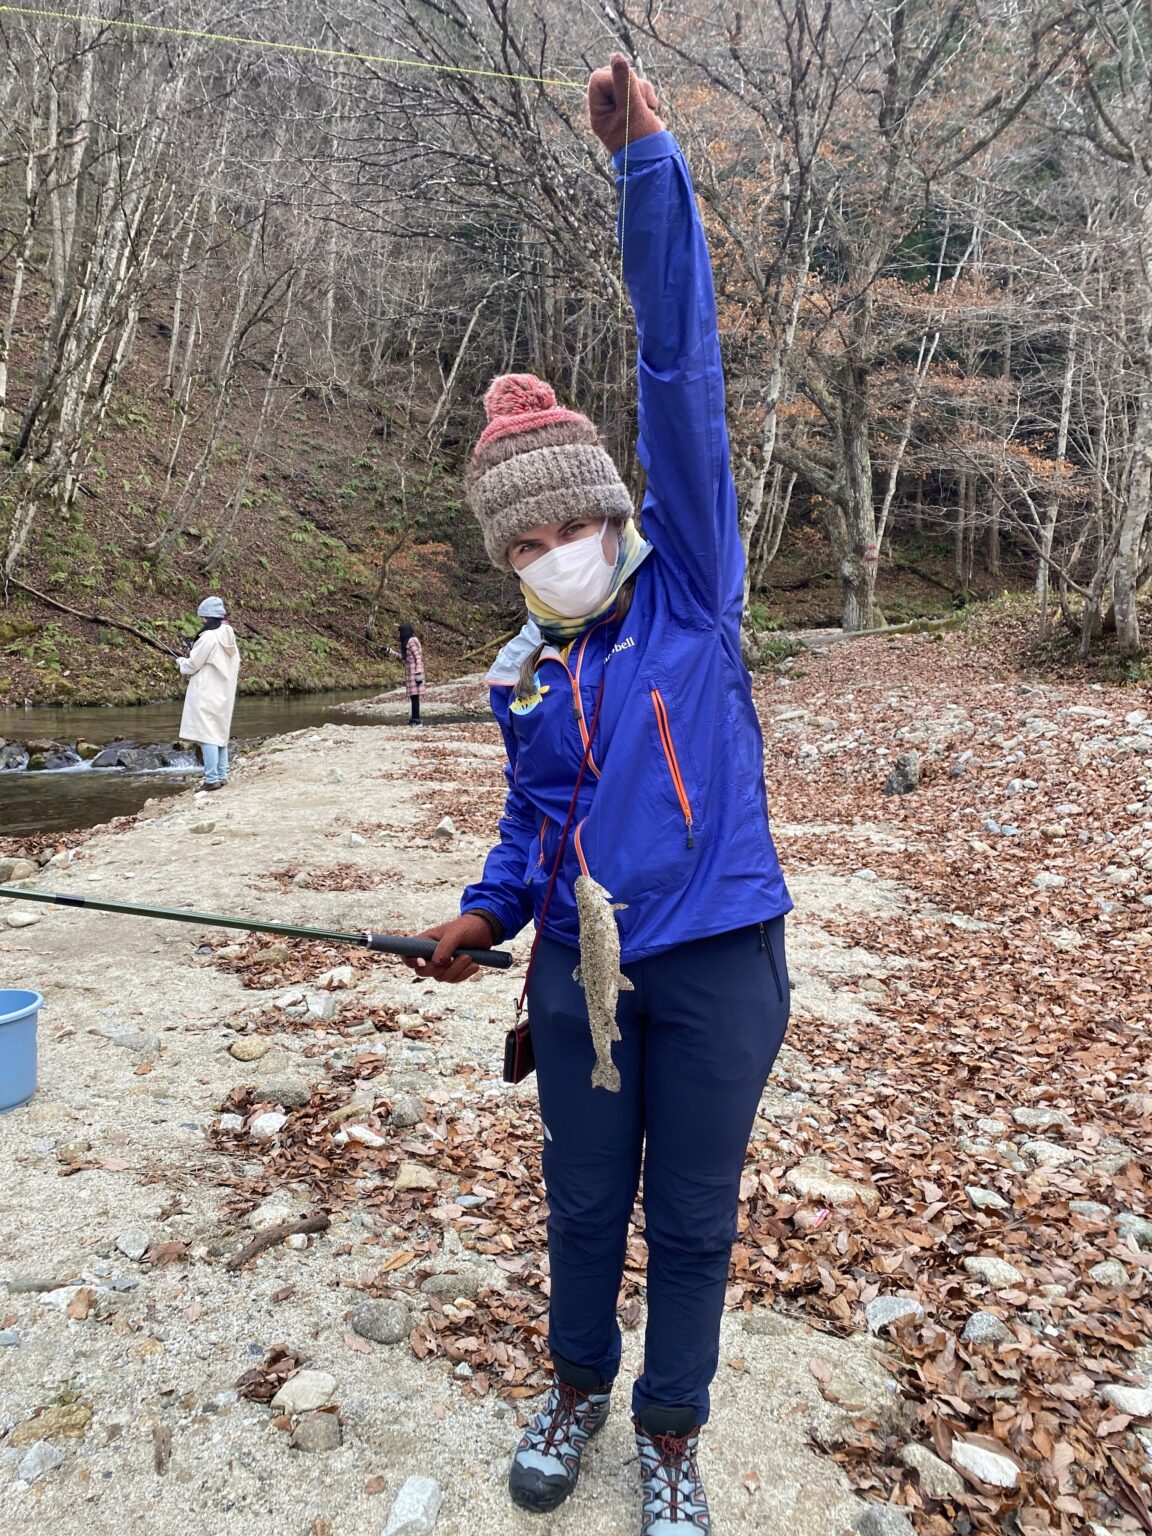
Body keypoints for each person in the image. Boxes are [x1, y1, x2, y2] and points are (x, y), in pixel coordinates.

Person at [407, 57, 792, 1535]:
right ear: (506, 561)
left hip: (721, 959)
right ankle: (575, 1383)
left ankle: (672, 1432)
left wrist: (645, 168)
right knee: (580, 1209)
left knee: (692, 1221)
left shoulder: (691, 589)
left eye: (576, 520)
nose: (559, 547)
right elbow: (536, 829)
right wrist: (479, 915)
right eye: (529, 541)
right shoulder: (519, 675)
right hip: (578, 976)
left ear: (618, 512)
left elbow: (682, 369)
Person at [177, 596, 240, 790]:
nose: (202, 622)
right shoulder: (229, 635)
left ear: (208, 618)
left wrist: (180, 661)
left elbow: (192, 665)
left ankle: (211, 779)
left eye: (203, 618)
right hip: (224, 692)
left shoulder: (209, 637)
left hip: (206, 692)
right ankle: (222, 775)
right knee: (219, 733)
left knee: (207, 735)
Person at [382, 623, 424, 725]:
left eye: (400, 632)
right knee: (414, 697)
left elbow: (418, 657)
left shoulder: (411, 641)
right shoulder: (408, 642)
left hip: (414, 673)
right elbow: (403, 657)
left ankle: (416, 720)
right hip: (411, 673)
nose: (399, 634)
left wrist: (418, 672)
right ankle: (414, 719)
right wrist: (389, 651)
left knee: (415, 697)